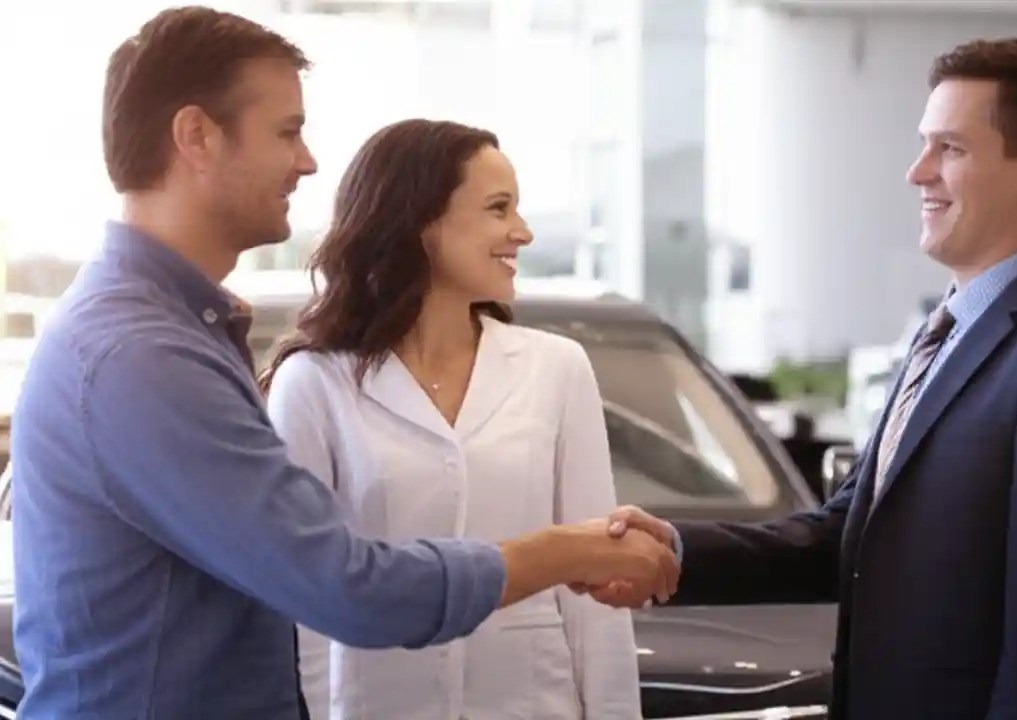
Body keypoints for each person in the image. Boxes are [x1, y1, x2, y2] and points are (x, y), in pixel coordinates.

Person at [7, 8, 675, 718]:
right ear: (196, 135)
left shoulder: (167, 331)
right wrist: (566, 553)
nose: (309, 161)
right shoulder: (139, 355)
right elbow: (345, 589)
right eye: (287, 131)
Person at [601, 38, 1017, 719]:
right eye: (925, 144)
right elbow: (846, 540)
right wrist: (677, 549)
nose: (917, 172)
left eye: (950, 148)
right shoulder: (941, 336)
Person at [257, 118, 643, 719]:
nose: (523, 232)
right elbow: (302, 610)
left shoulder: (557, 368)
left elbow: (598, 583)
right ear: (419, 220)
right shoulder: (314, 383)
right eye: (498, 208)